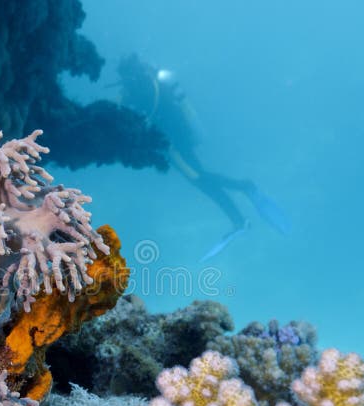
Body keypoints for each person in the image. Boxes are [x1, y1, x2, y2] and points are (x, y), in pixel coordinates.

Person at [115, 54, 290, 260]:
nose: (125, 83)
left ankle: (246, 187)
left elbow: (143, 114)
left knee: (198, 178)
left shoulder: (144, 88)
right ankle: (239, 221)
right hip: (175, 140)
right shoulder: (143, 86)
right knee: (202, 182)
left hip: (174, 141)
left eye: (126, 78)